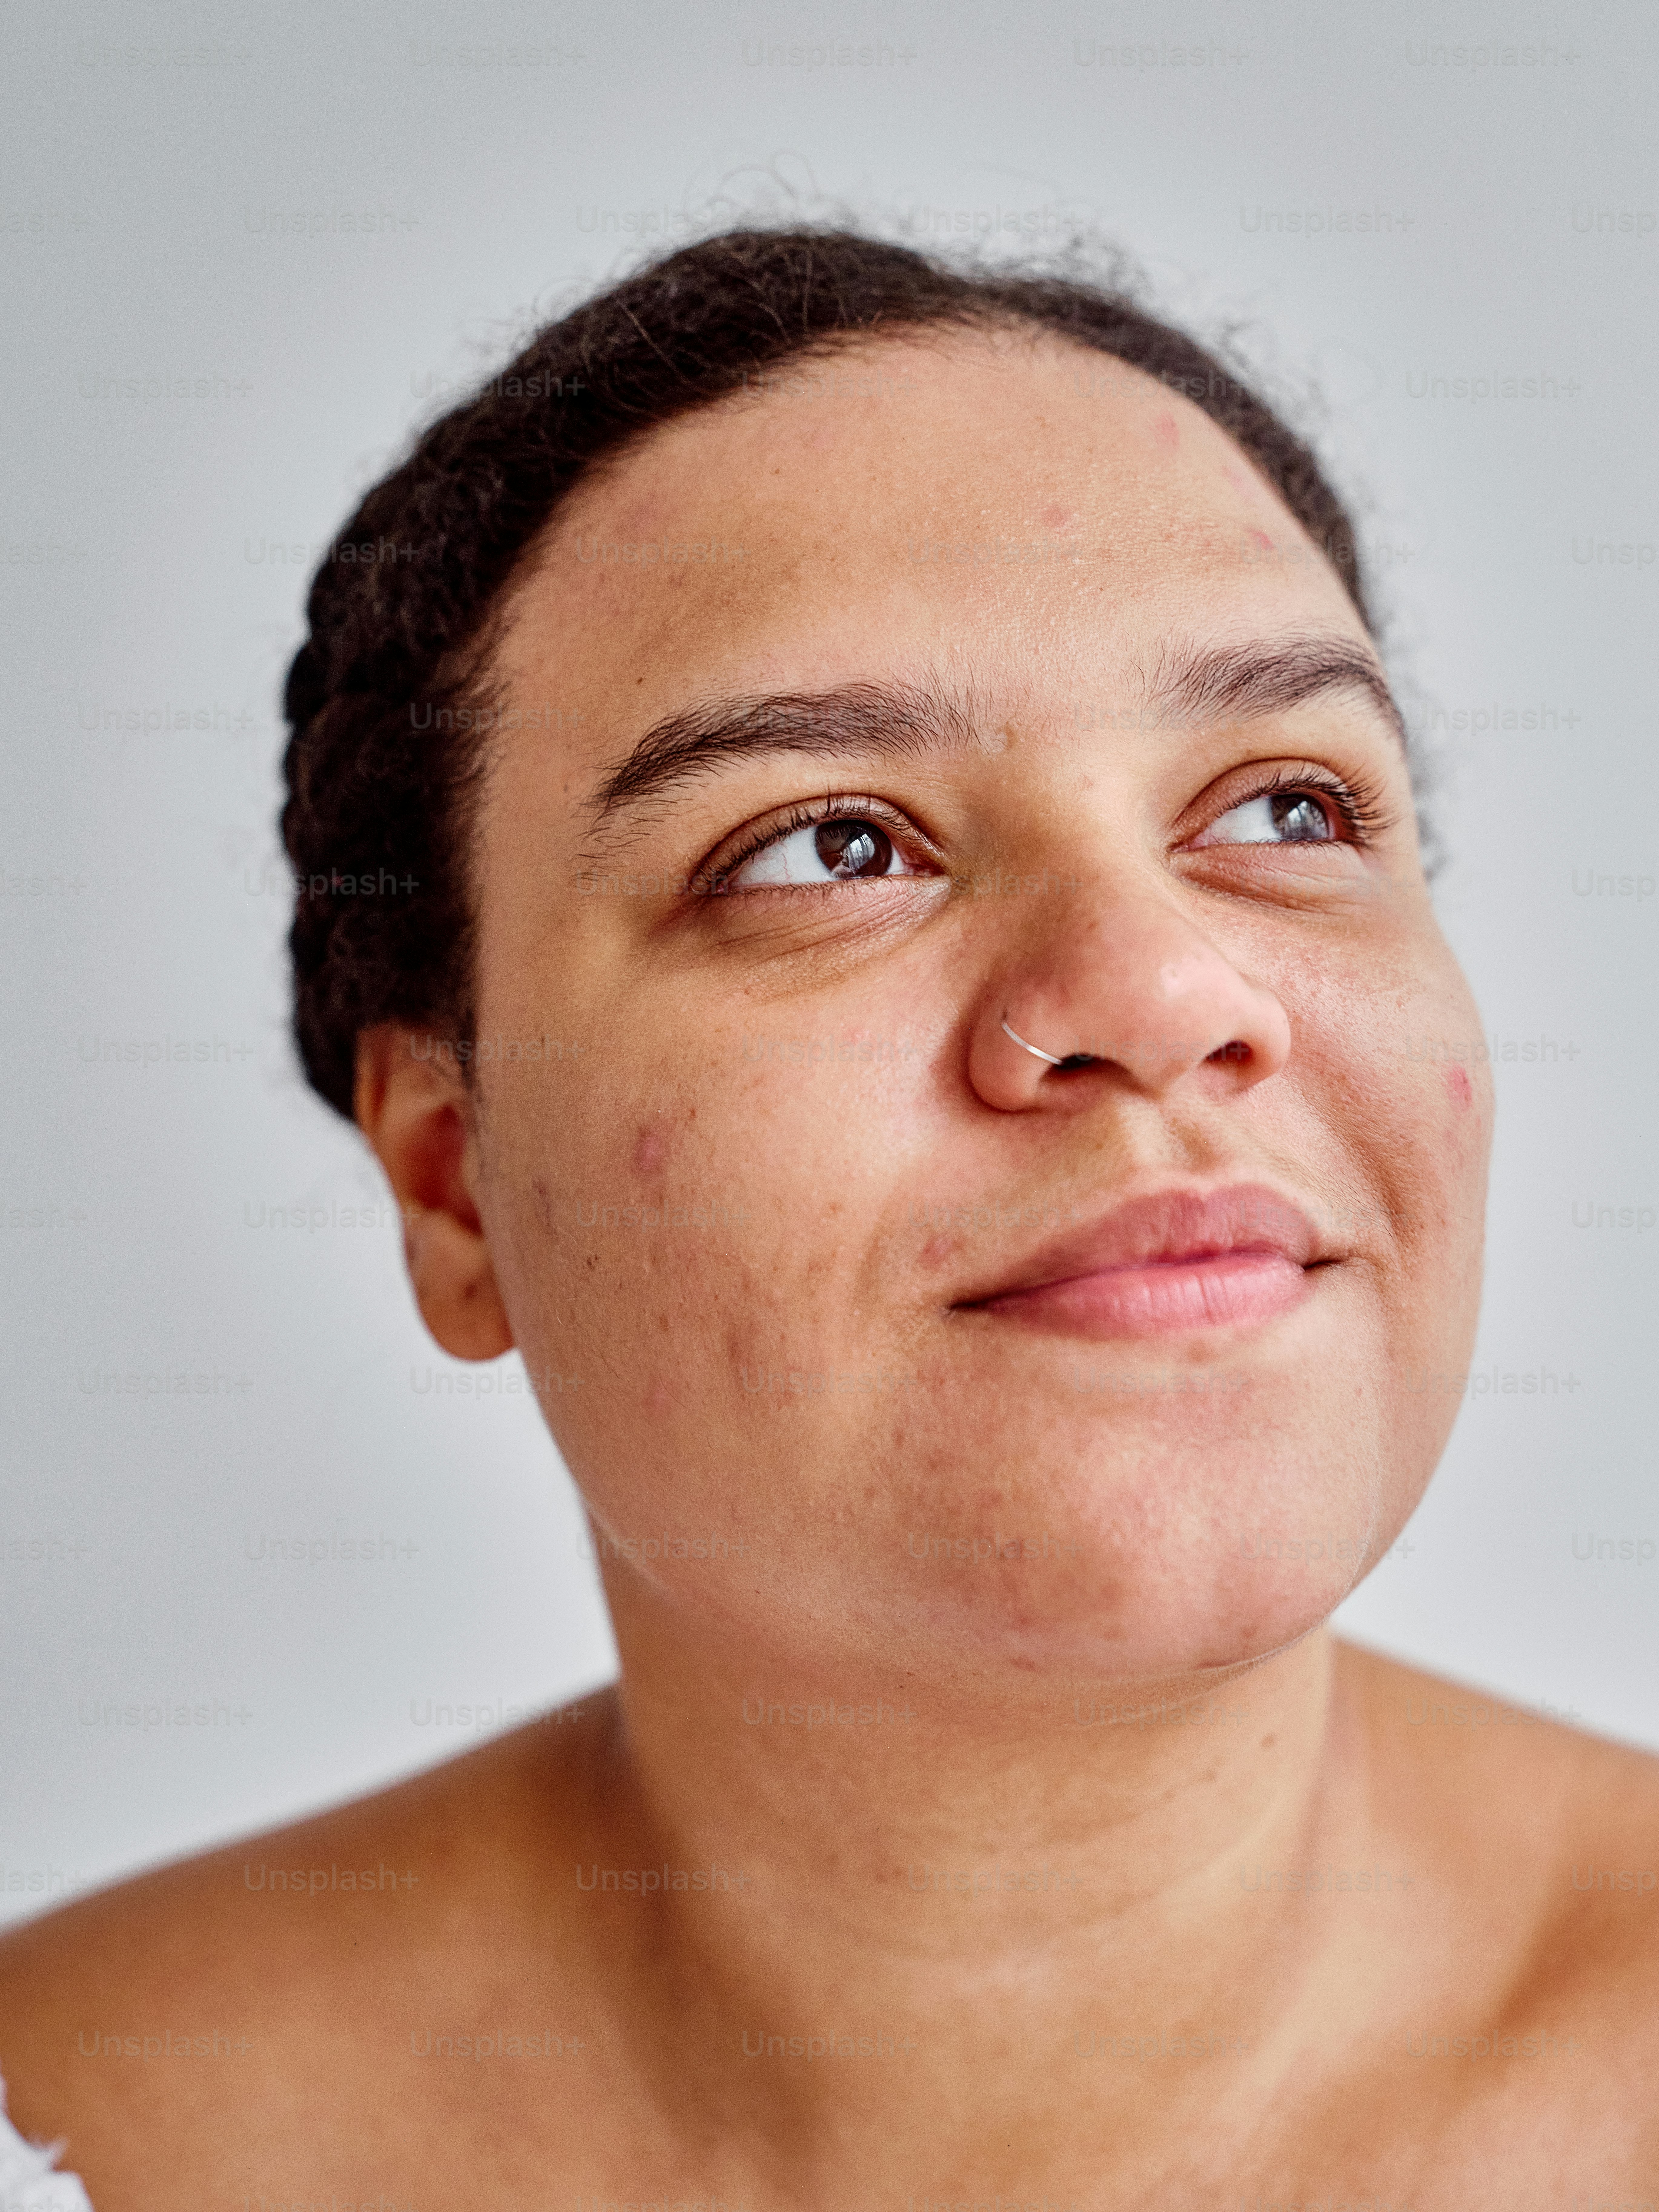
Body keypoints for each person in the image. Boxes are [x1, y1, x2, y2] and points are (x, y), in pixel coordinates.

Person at [4, 227, 1656, 2201]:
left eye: (1288, 808)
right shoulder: (78, 2121)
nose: (1161, 993)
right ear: (455, 1180)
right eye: (823, 845)